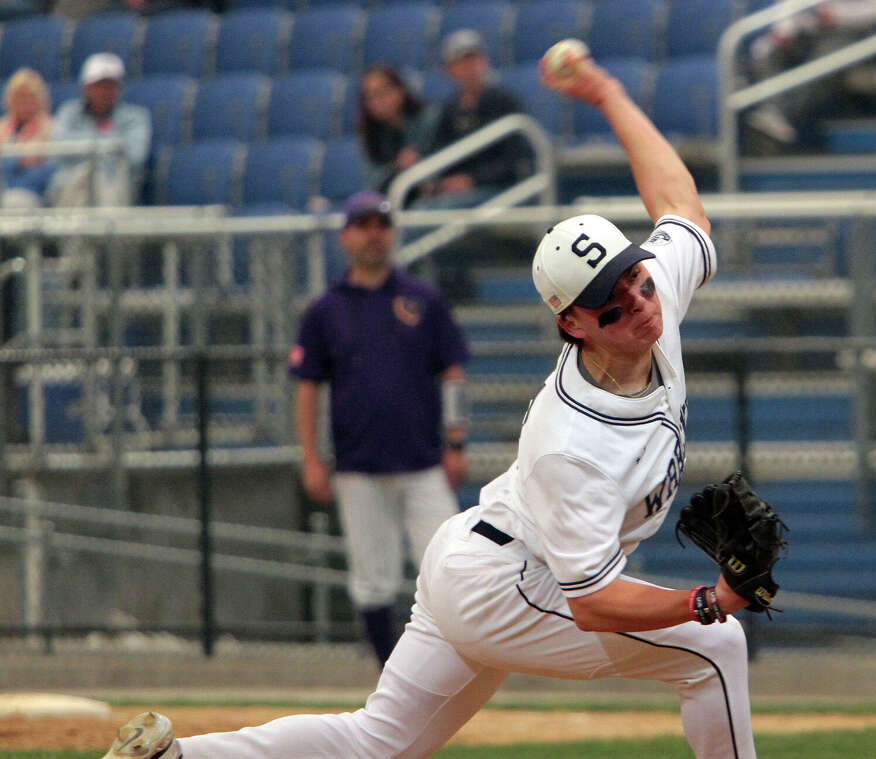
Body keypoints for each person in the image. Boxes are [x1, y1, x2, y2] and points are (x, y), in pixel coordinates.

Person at [99, 44, 757, 759]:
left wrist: (605, 95)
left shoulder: (655, 291)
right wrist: (706, 600)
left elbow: (678, 203)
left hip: (473, 552)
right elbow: (593, 603)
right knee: (713, 645)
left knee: (375, 741)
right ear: (571, 323)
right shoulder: (573, 444)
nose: (637, 302)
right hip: (513, 585)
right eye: (609, 303)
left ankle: (178, 758)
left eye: (636, 279)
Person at [289, 190, 471, 669]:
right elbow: (307, 386)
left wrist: (455, 440)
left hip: (421, 460)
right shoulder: (326, 309)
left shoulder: (422, 298)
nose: (374, 234)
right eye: (364, 225)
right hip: (359, 464)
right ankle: (391, 673)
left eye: (381, 224)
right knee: (373, 578)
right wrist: (310, 456)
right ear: (346, 235)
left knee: (450, 566)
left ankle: (453, 665)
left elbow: (452, 371)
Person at [744, 0, 876, 147]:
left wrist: (838, 14)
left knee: (827, 58)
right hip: (810, 31)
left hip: (854, 31)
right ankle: (777, 116)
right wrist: (784, 29)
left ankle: (780, 114)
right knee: (766, 50)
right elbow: (791, 6)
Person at [415, 29, 527, 209]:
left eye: (473, 59)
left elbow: (514, 159)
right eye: (461, 61)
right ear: (449, 69)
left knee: (439, 210)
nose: (469, 67)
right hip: (459, 193)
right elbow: (441, 154)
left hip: (499, 190)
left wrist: (472, 180)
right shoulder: (449, 110)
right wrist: (441, 183)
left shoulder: (504, 103)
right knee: (419, 208)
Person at [46, 53, 150, 207]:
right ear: (85, 88)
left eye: (111, 86)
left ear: (119, 89)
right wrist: (109, 143)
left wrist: (87, 148)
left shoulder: (135, 117)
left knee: (102, 178)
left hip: (116, 185)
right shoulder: (68, 112)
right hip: (71, 186)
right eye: (99, 85)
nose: (105, 91)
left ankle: (107, 229)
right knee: (83, 174)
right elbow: (61, 148)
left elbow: (135, 156)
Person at [357, 64, 437, 194]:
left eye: (381, 92)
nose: (376, 101)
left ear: (400, 90)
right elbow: (373, 182)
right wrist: (396, 167)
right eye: (369, 96)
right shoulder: (370, 136)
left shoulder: (430, 120)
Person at [0, 67, 55, 209]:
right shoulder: (2, 127)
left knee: (15, 201)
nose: (24, 102)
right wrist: (19, 160)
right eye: (19, 96)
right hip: (3, 189)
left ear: (40, 99)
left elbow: (48, 168)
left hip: (36, 192)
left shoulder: (51, 127)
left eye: (30, 96)